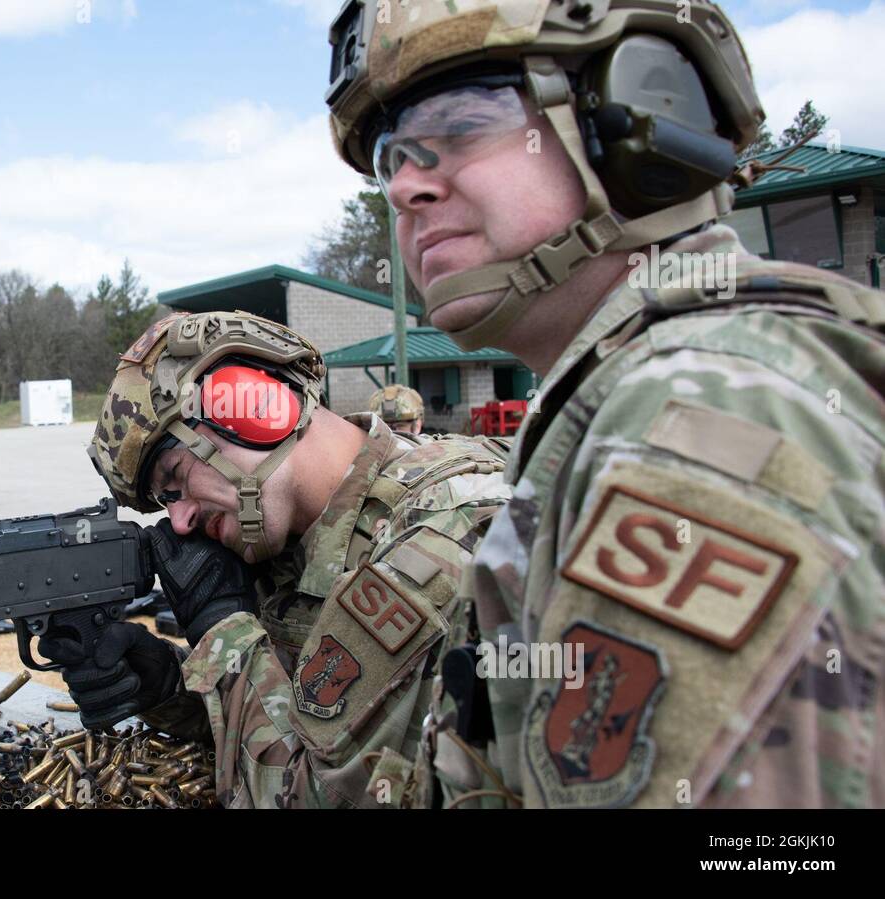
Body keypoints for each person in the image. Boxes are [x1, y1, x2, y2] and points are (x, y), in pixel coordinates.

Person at [325, 0, 884, 807]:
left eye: (460, 121)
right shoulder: (620, 396)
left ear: (636, 116)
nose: (408, 184)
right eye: (392, 154)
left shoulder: (700, 414)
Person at [45, 309, 511, 807]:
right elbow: (309, 720)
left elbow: (315, 794)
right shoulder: (298, 540)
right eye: (166, 501)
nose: (179, 522)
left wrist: (222, 629)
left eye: (177, 480)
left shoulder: (435, 538)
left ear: (253, 412)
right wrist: (171, 687)